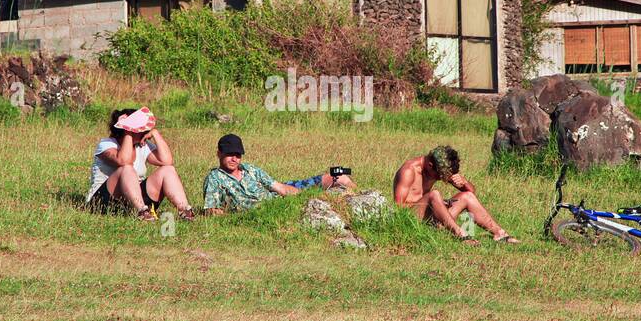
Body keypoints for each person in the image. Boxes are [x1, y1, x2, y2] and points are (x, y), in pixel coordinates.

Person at [87, 107, 196, 221]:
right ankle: (142, 211)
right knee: (127, 169)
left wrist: (155, 134)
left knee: (168, 170)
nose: (143, 131)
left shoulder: (142, 145)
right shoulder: (106, 144)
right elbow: (123, 161)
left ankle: (185, 211)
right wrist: (128, 131)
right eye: (139, 128)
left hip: (132, 203)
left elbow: (167, 161)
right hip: (103, 203)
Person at [392, 145, 518, 243]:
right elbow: (399, 209)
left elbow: (471, 193)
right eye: (440, 176)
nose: (442, 179)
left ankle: (499, 234)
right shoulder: (408, 171)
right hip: (412, 220)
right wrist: (434, 204)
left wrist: (465, 182)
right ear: (430, 165)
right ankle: (461, 235)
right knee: (434, 195)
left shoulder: (436, 169)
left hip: (432, 219)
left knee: (466, 196)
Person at [202, 133, 355, 214]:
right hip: (266, 210)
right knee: (331, 194)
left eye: (238, 154)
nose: (234, 158)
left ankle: (359, 196)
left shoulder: (250, 169)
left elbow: (280, 188)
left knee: (339, 178)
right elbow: (212, 210)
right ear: (219, 154)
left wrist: (304, 197)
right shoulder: (215, 178)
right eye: (230, 154)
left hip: (281, 195)